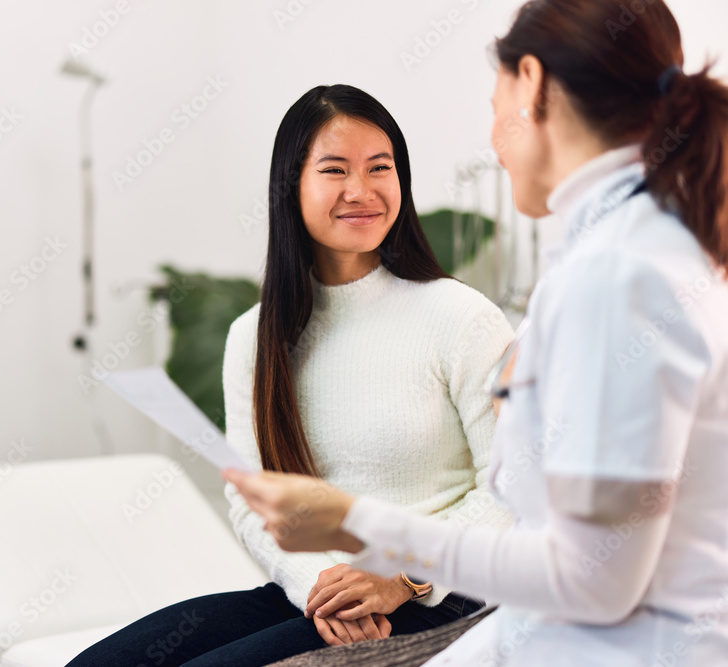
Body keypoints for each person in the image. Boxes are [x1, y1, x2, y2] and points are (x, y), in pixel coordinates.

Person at [226, 1, 728, 665]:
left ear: (532, 81)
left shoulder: (618, 275)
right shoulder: (617, 257)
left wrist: (360, 525)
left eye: (495, 104)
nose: (493, 137)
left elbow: (596, 580)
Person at [67, 84, 514, 667]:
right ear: (291, 186)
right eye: (335, 170)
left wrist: (400, 578)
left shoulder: (461, 317)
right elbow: (255, 502)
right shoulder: (255, 336)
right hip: (317, 594)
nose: (361, 190)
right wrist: (320, 587)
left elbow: (512, 487)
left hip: (442, 598)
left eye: (381, 168)